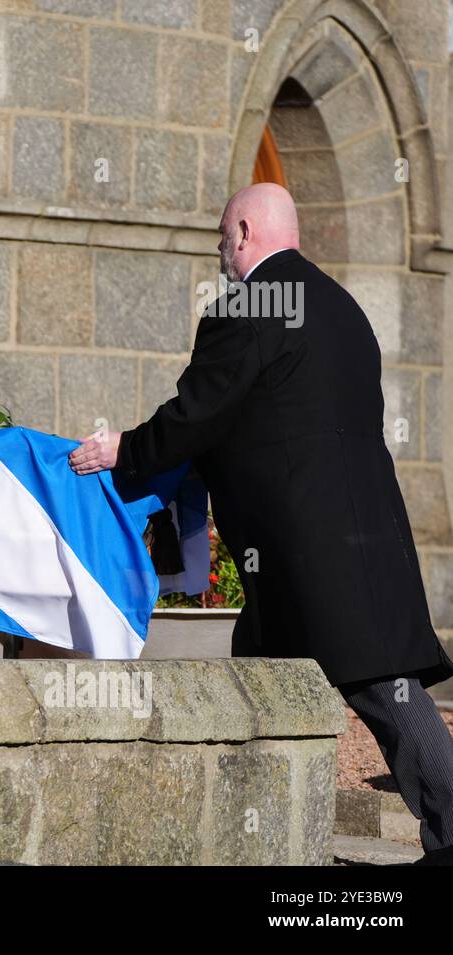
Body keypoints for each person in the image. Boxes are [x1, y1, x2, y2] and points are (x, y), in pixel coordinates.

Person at [68, 182, 453, 865]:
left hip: (304, 549)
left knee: (381, 691)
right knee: (289, 675)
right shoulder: (343, 307)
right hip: (358, 536)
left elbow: (200, 412)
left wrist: (126, 448)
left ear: (244, 232)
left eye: (222, 239)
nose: (221, 255)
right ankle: (260, 834)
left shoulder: (249, 306)